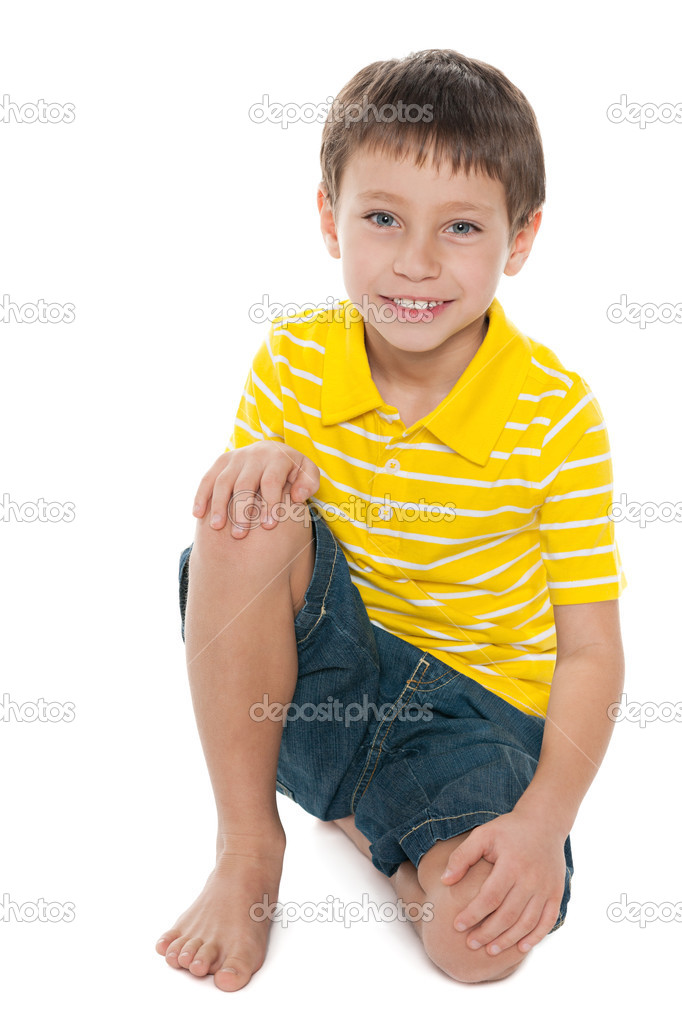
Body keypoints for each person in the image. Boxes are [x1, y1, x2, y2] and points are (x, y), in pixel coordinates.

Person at [156, 47, 626, 990]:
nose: (415, 262)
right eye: (381, 218)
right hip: (321, 679)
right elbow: (242, 559)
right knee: (241, 517)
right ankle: (251, 844)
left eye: (460, 227)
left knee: (474, 947)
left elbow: (592, 652)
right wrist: (262, 469)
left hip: (470, 718)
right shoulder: (293, 358)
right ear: (330, 219)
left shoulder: (556, 412)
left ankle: (372, 822)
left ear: (521, 237)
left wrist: (542, 823)